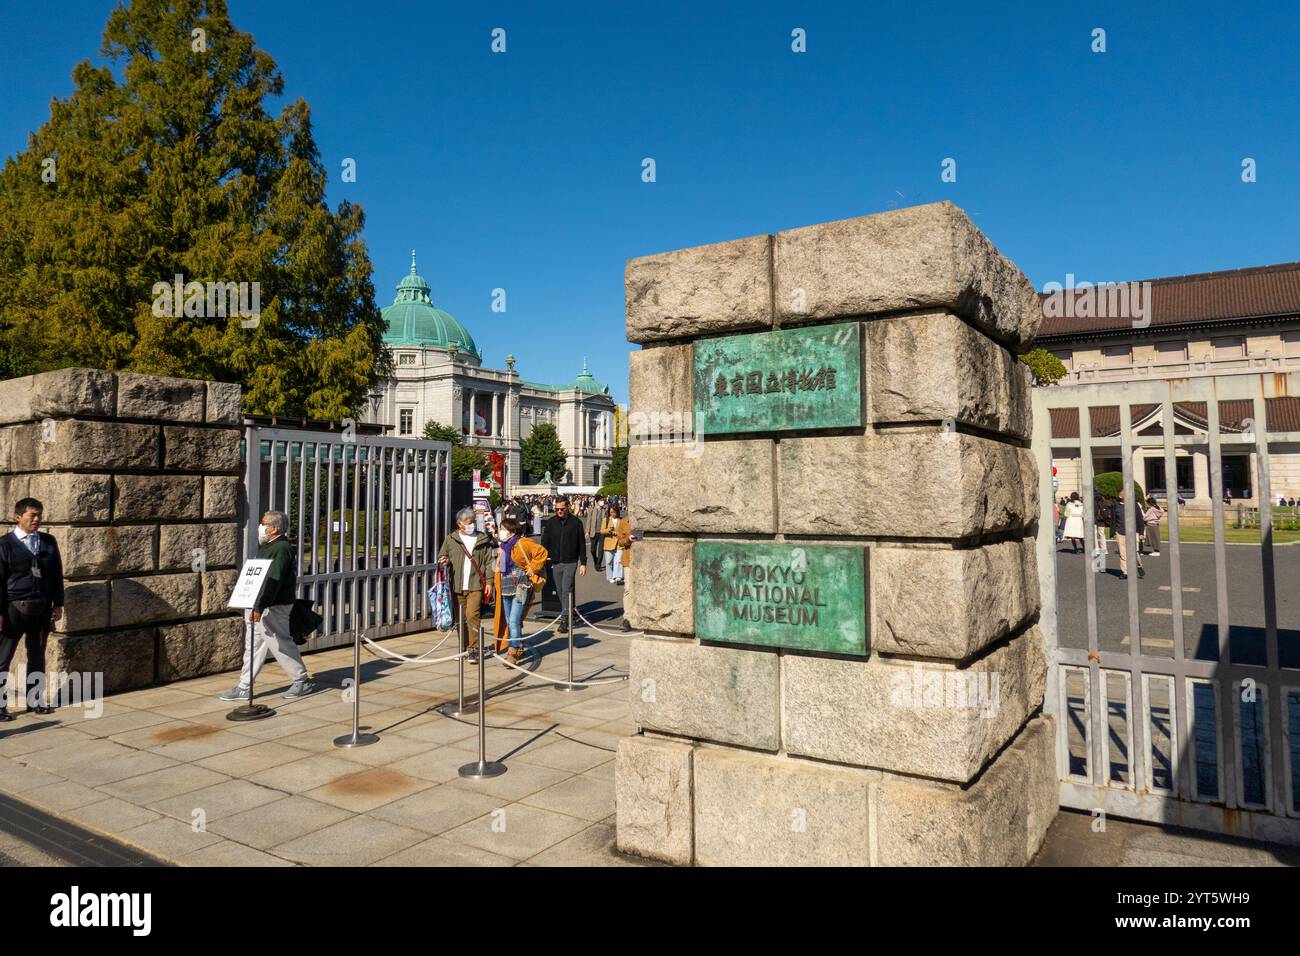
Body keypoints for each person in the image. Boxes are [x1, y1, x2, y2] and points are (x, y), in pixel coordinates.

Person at [219, 511, 320, 701]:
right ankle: (244, 686)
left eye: (263, 523)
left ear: (274, 528)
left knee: (279, 641)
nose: (260, 527)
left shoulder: (280, 548)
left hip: (273, 605)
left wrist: (259, 606)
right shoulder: (268, 546)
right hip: (261, 603)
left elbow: (273, 580)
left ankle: (300, 680)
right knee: (253, 646)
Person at [0, 498, 64, 719]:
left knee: (37, 655)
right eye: (32, 515)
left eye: (39, 515)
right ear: (18, 517)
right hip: (13, 609)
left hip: (42, 607)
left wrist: (58, 603)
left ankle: (34, 701)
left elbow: (56, 574)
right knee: (3, 658)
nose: (37, 519)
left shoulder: (48, 541)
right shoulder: (4, 544)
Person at [438, 507, 494, 664]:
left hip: (475, 585)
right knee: (460, 618)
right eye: (468, 523)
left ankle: (474, 649)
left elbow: (489, 563)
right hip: (457, 585)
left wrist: (489, 582)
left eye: (473, 522)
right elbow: (443, 554)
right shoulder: (451, 539)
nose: (472, 525)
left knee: (472, 615)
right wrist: (444, 560)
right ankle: (463, 648)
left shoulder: (482, 539)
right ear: (460, 524)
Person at [492, 517, 548, 665]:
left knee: (514, 620)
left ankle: (513, 651)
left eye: (503, 529)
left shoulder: (522, 542)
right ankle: (519, 647)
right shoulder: (503, 546)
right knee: (511, 622)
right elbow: (499, 567)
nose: (501, 532)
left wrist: (533, 568)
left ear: (512, 531)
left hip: (521, 586)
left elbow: (542, 552)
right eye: (501, 529)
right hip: (505, 587)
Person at [540, 496, 586, 633]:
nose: (559, 511)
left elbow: (582, 544)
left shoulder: (576, 523)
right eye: (557, 509)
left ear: (568, 507)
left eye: (562, 509)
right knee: (560, 590)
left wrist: (583, 562)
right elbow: (545, 542)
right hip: (556, 561)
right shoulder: (551, 523)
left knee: (567, 588)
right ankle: (568, 612)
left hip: (571, 561)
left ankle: (565, 619)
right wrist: (541, 560)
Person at [1110, 490, 1145, 580]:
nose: (1121, 493)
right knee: (1122, 554)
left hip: (1133, 533)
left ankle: (1139, 566)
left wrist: (1141, 533)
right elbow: (1113, 520)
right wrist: (1113, 532)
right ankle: (1125, 572)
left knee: (1134, 553)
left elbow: (1139, 519)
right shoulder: (1116, 505)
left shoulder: (1134, 505)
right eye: (1122, 493)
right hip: (1120, 533)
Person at [601, 505, 631, 585]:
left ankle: (618, 576)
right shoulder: (606, 520)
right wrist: (608, 530)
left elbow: (623, 531)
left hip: (618, 542)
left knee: (618, 560)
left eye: (614, 512)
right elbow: (602, 531)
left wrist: (618, 533)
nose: (613, 514)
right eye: (611, 512)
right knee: (608, 561)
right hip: (608, 542)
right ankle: (610, 576)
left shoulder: (621, 520)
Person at [584, 495, 605, 573]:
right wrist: (587, 531)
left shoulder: (604, 510)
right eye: (600, 500)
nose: (602, 502)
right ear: (596, 501)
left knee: (601, 550)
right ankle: (595, 560)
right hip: (593, 532)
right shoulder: (592, 509)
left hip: (602, 532)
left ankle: (598, 565)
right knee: (592, 550)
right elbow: (588, 521)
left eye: (603, 500)